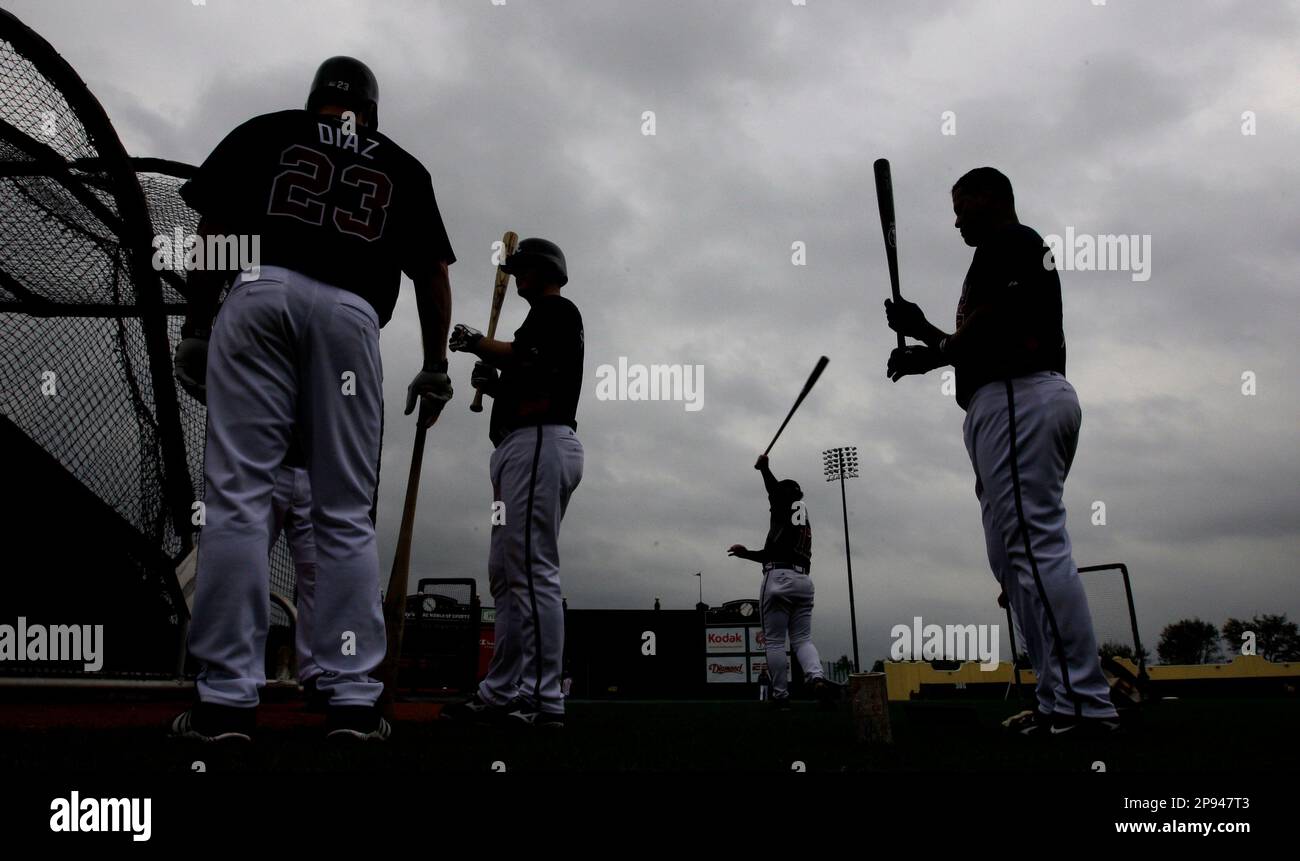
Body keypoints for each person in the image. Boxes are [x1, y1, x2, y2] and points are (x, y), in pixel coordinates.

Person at [170, 56, 455, 743]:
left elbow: (215, 236)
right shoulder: (402, 165)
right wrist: (436, 360)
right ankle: (353, 700)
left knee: (236, 501)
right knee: (346, 513)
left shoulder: (269, 130)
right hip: (353, 316)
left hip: (260, 293)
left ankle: (225, 702)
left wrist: (198, 320)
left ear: (315, 99)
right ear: (371, 109)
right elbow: (432, 272)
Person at [883, 166, 1119, 737]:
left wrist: (926, 337)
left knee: (1034, 550)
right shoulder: (996, 253)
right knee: (1012, 562)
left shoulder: (1013, 242)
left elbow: (991, 331)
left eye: (963, 206)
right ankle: (1057, 697)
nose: (957, 219)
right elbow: (976, 339)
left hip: (1021, 394)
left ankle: (1085, 704)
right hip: (1007, 401)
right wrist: (929, 345)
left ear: (993, 198)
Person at [439, 238, 584, 729]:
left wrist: (475, 342)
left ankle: (542, 698)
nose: (517, 276)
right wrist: (496, 380)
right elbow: (530, 370)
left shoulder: (557, 311)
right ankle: (501, 690)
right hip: (519, 447)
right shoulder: (540, 320)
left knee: (530, 569)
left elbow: (526, 357)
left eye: (523, 269)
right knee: (505, 574)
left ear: (544, 271)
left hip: (540, 443)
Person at [727, 454, 832, 709]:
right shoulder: (802, 516)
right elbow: (773, 550)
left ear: (785, 495)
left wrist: (764, 468)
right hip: (804, 580)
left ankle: (781, 696)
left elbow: (774, 492)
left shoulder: (784, 504)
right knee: (802, 639)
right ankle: (816, 677)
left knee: (774, 641)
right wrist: (747, 554)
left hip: (778, 576)